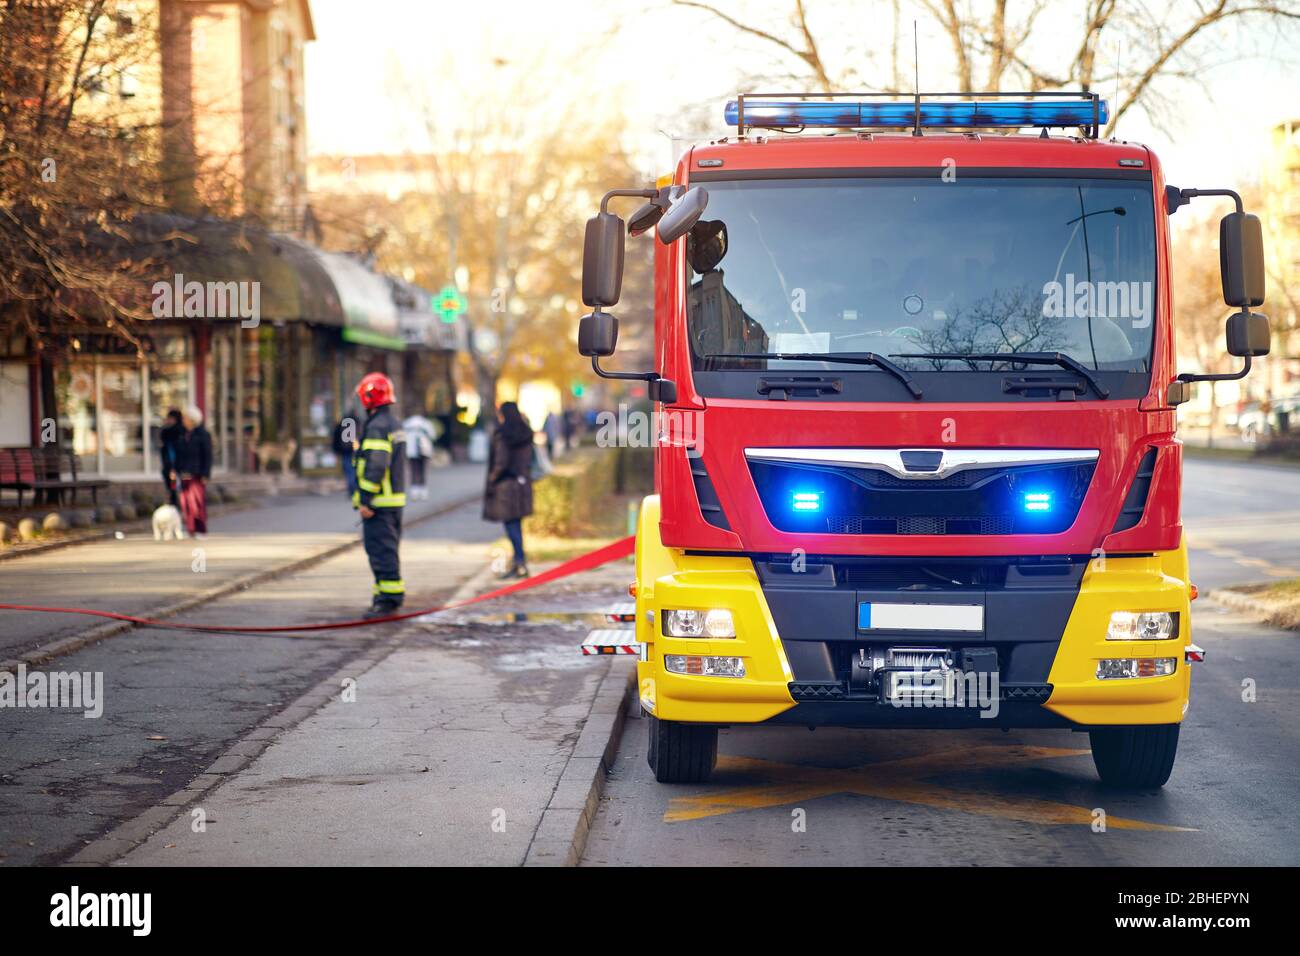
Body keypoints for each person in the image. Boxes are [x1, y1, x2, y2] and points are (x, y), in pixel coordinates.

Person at [353, 372, 407, 618]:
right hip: (392, 500)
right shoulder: (393, 423)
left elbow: (376, 466)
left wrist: (365, 499)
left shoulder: (376, 427)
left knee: (381, 552)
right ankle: (384, 596)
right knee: (388, 550)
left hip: (378, 503)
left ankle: (387, 601)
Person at [483, 401, 535, 579]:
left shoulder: (503, 434)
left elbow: (500, 462)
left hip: (506, 486)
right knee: (516, 525)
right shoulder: (526, 433)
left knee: (510, 526)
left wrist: (492, 480)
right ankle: (520, 561)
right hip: (522, 484)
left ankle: (519, 562)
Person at [176, 405, 212, 537]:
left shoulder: (203, 434)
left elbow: (207, 455)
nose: (183, 420)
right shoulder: (182, 434)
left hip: (197, 473)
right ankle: (191, 529)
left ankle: (201, 530)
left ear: (192, 419)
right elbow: (179, 455)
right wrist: (176, 470)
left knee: (197, 503)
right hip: (184, 473)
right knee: (185, 504)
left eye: (186, 418)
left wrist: (205, 474)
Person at [402, 409, 438, 501]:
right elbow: (433, 435)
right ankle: (423, 491)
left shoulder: (407, 423)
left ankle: (414, 491)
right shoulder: (426, 423)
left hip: (411, 451)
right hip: (425, 451)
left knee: (414, 470)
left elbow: (402, 436)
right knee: (423, 470)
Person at [332, 408, 360, 498]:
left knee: (349, 471)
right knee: (354, 471)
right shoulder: (357, 424)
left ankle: (352, 489)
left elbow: (336, 438)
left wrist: (337, 450)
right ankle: (354, 489)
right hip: (354, 451)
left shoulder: (343, 424)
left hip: (346, 452)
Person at [159, 408, 184, 507]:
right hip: (169, 464)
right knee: (171, 483)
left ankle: (177, 500)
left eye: (171, 418)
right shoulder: (166, 432)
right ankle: (174, 498)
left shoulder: (179, 432)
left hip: (176, 463)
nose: (169, 420)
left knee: (176, 483)